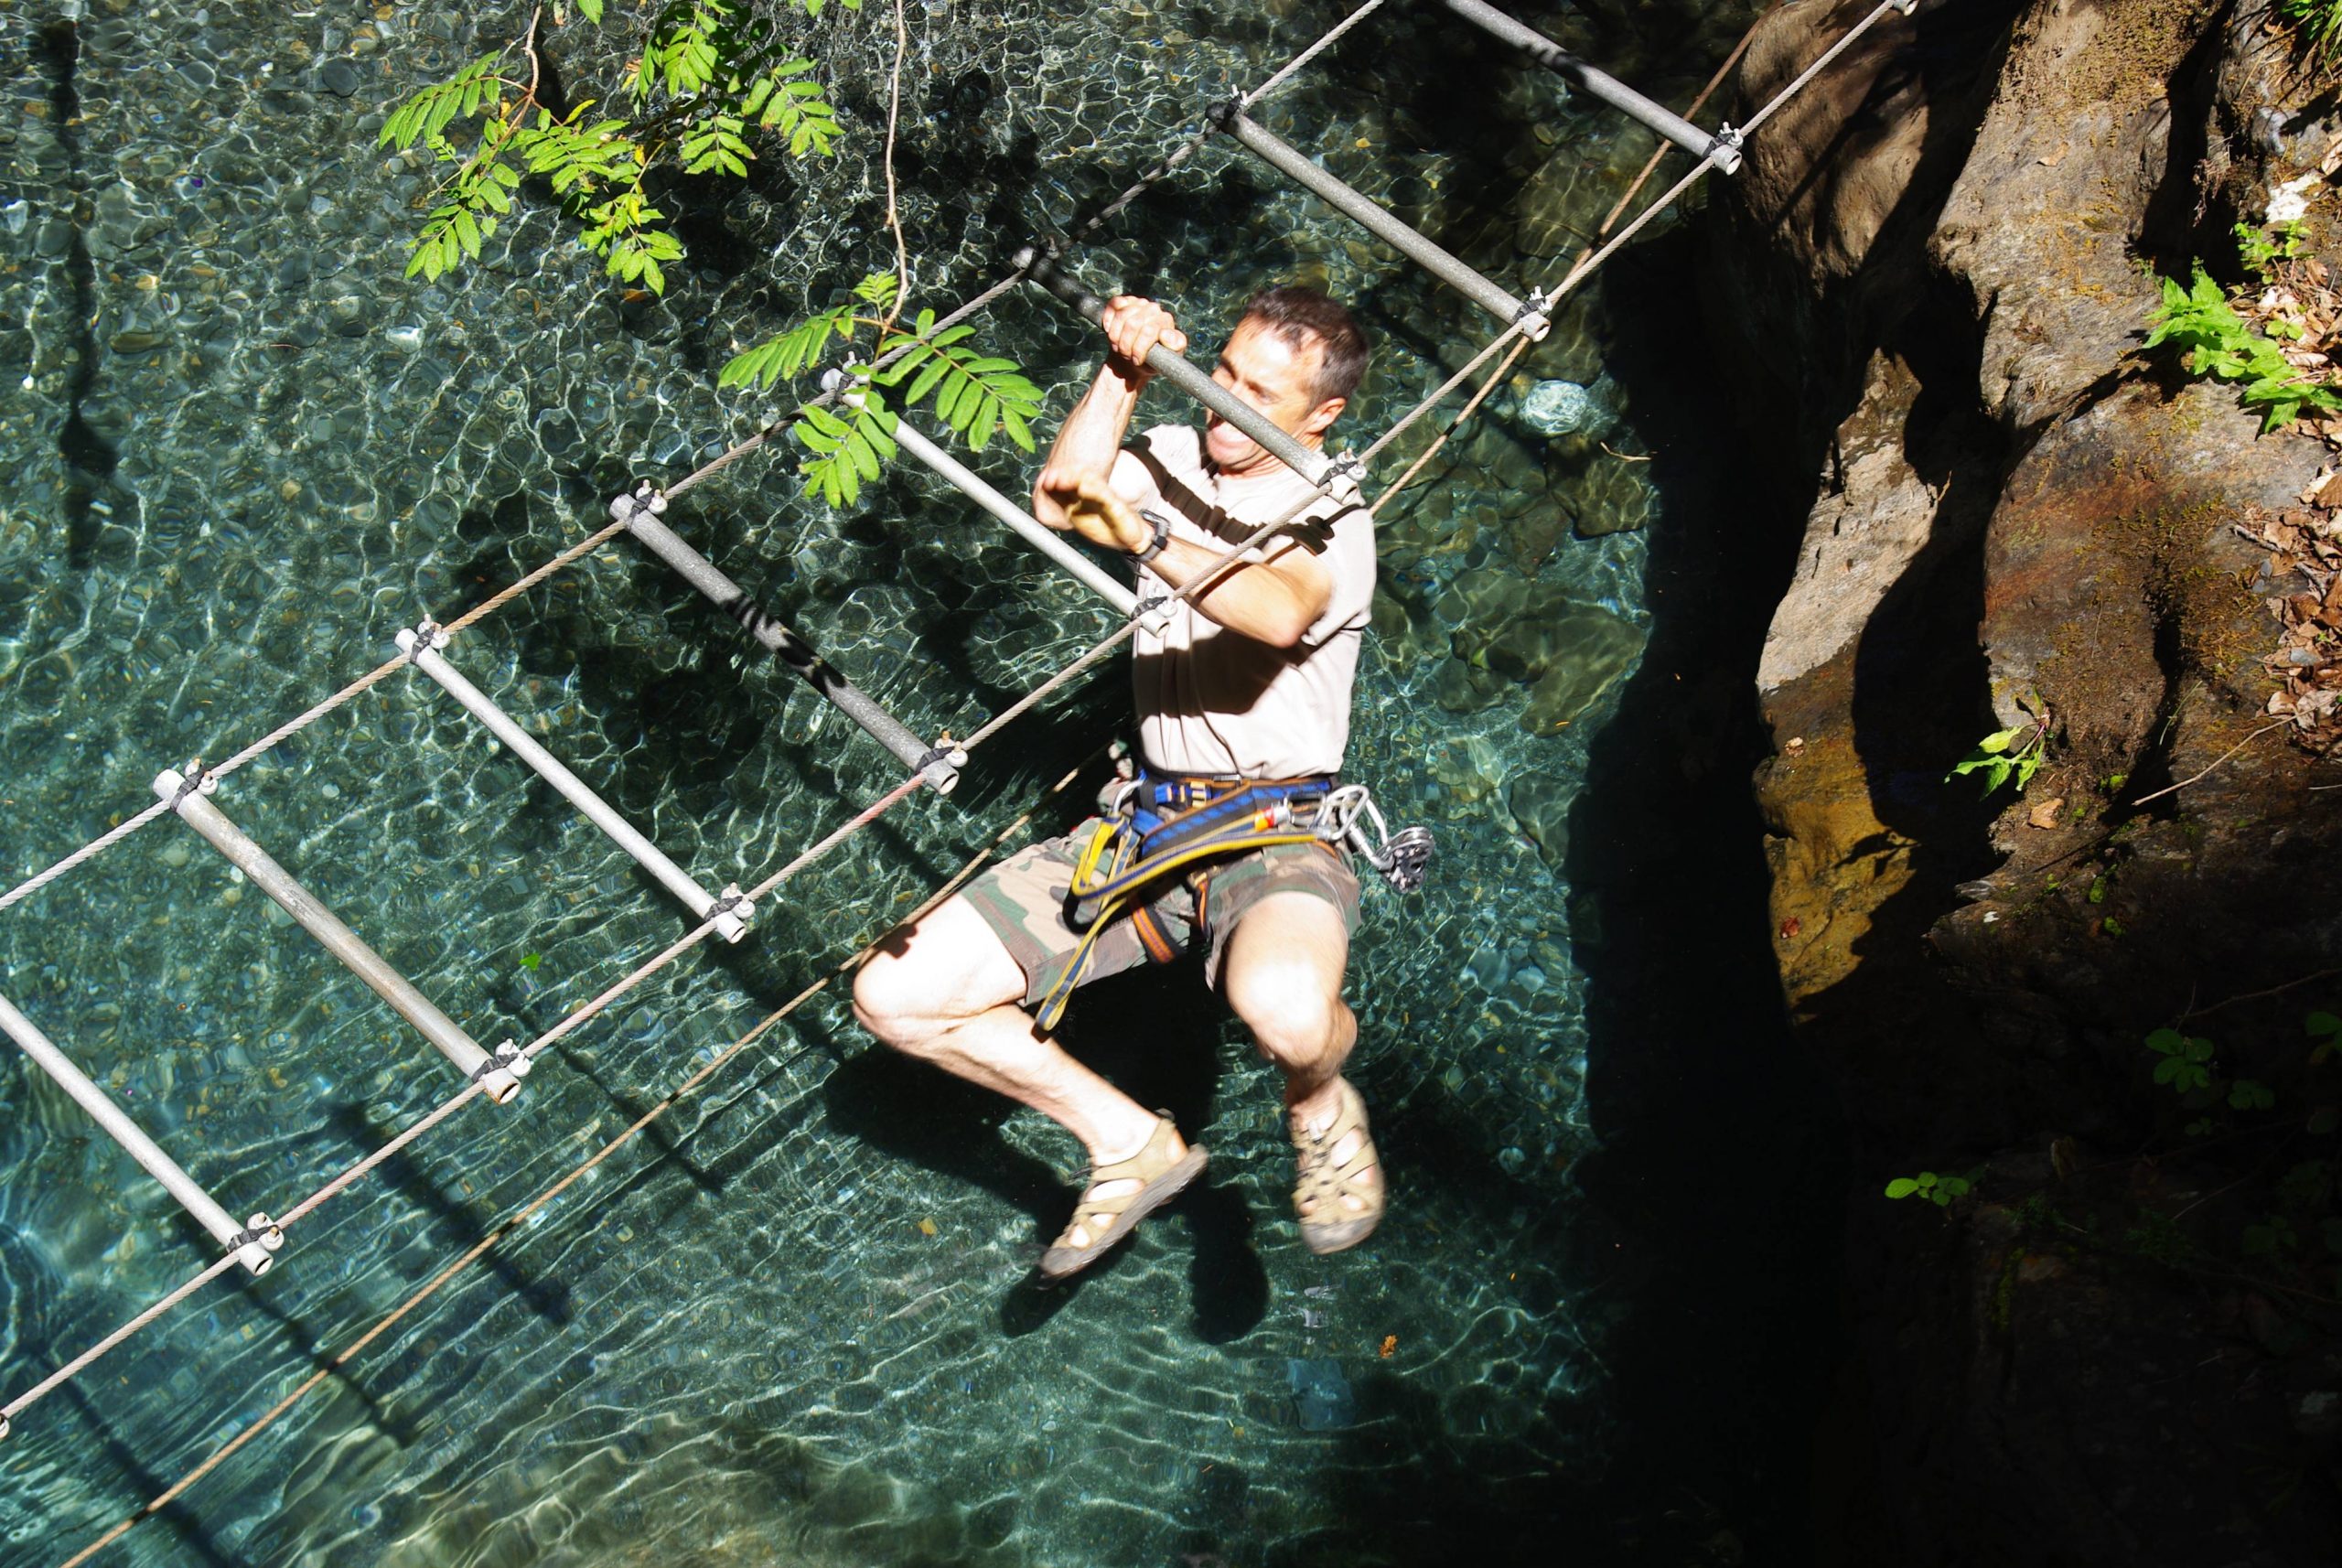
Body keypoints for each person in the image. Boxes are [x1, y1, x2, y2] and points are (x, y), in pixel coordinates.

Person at [852, 285, 1384, 1281]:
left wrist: (1140, 533)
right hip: (1138, 828)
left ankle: (1316, 1100)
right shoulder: (1177, 455)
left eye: (1258, 394)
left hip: (1272, 832)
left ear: (1321, 417)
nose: (1222, 403)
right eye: (1219, 371)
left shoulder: (1331, 515)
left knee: (1282, 1009)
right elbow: (1061, 496)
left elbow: (1272, 613)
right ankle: (1125, 1140)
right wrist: (1124, 374)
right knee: (894, 992)